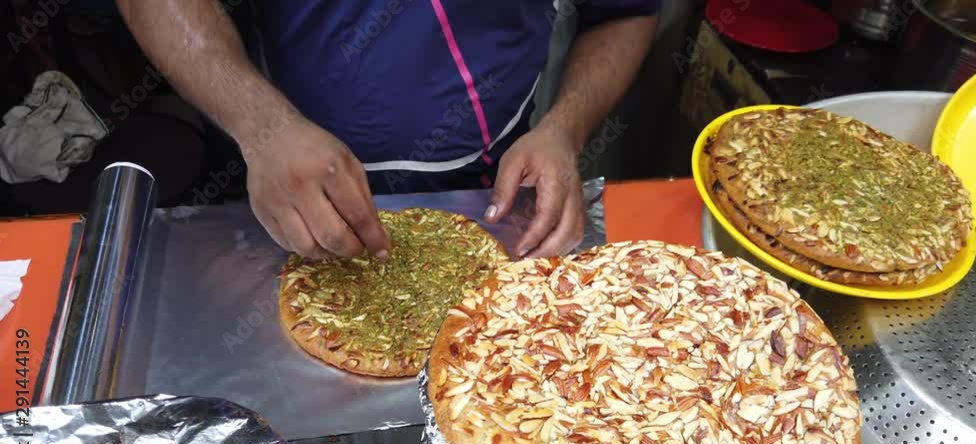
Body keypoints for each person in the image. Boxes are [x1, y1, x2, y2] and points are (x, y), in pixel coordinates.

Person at [116, 1, 658, 259]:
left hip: (501, 181)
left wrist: (565, 129)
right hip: (284, 174)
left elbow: (624, 12)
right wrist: (261, 128)